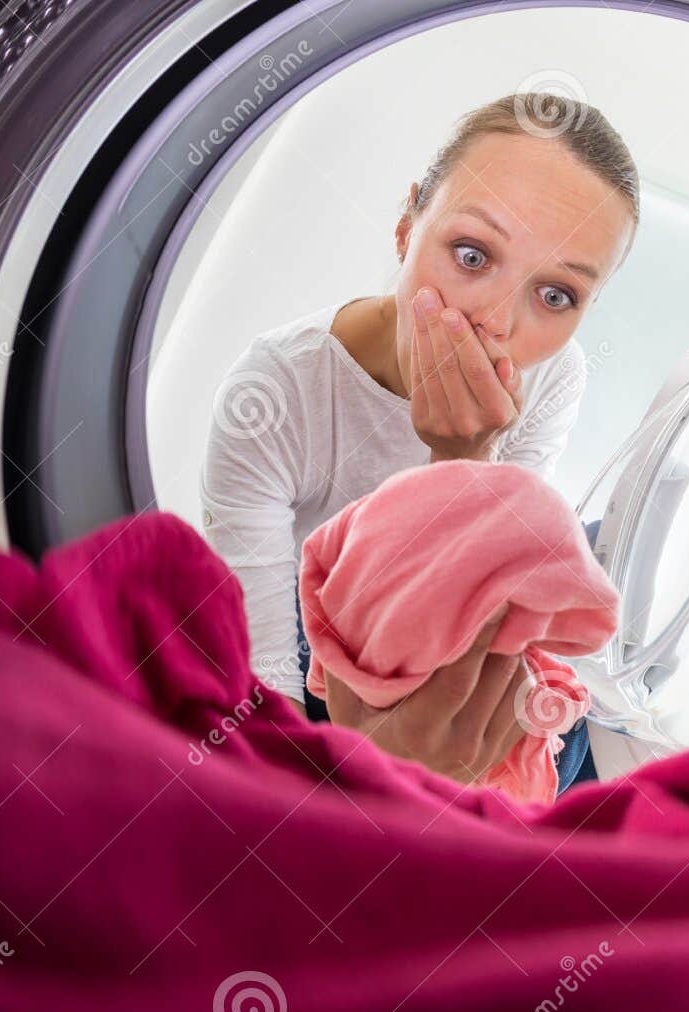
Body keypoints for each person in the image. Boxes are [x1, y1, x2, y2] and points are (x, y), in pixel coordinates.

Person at [200, 93, 638, 789]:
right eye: (472, 255)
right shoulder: (276, 392)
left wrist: (467, 462)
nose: (495, 320)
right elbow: (265, 691)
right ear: (407, 228)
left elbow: (498, 598)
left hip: (465, 630)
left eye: (555, 295)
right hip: (323, 649)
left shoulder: (554, 372)